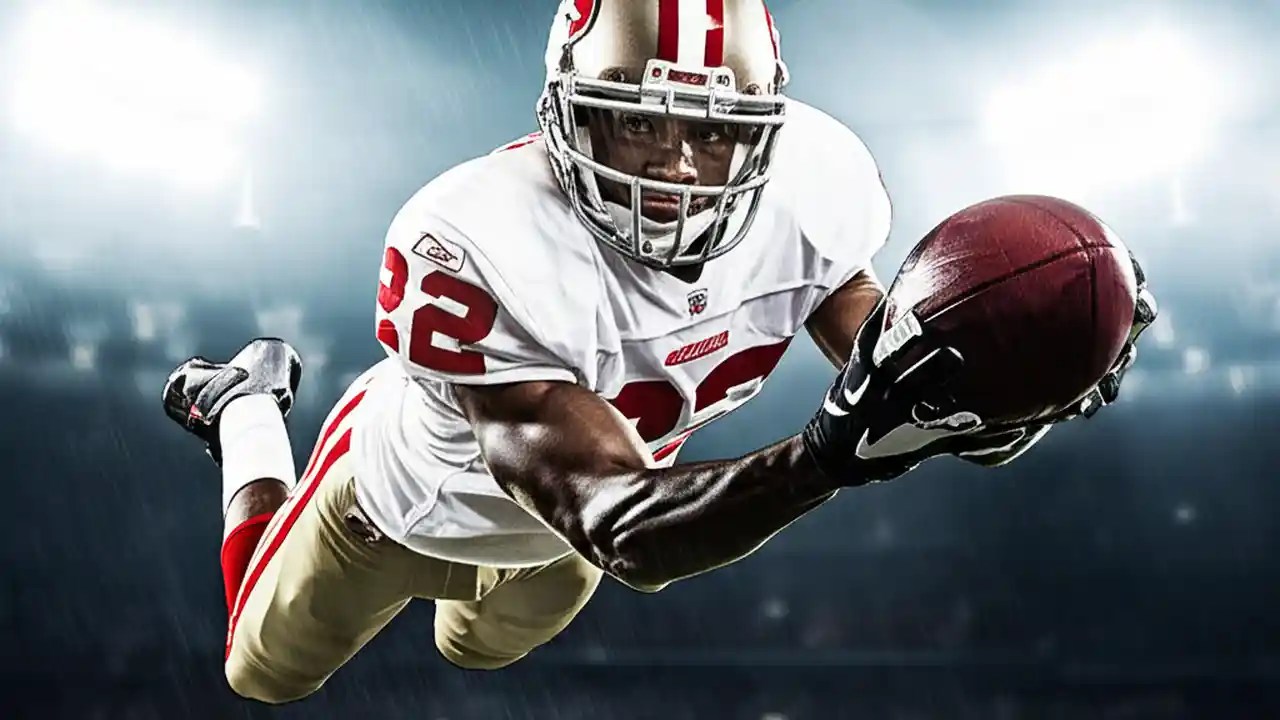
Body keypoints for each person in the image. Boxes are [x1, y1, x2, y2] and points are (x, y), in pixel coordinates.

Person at [161, 0, 1154, 705]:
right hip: (403, 509)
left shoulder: (814, 182)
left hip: (556, 548)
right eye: (638, 121)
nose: (676, 166)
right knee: (264, 677)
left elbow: (879, 348)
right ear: (564, 111)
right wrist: (827, 455)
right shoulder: (471, 243)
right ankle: (243, 408)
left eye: (713, 133)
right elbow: (623, 524)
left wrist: (999, 384)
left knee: (478, 655)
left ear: (766, 131)